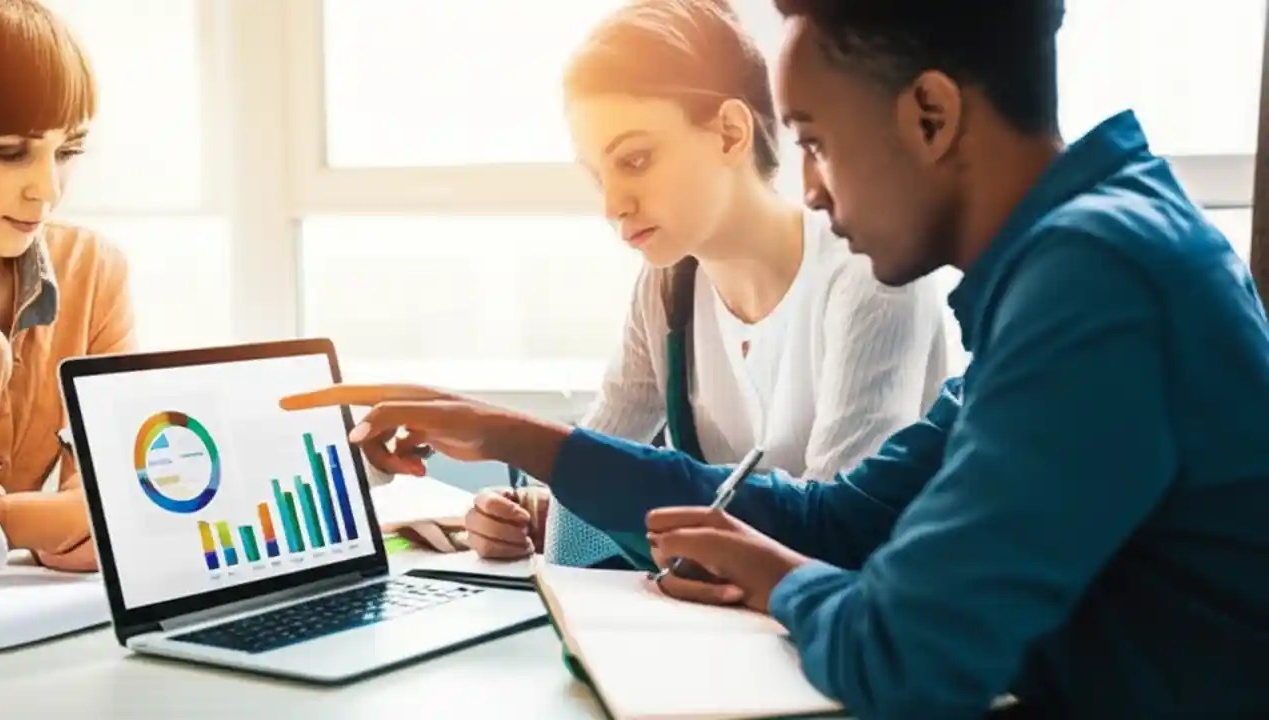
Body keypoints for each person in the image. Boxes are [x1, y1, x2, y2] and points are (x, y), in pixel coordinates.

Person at [282, 0, 1269, 717]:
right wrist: (510, 435)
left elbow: (902, 651)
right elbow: (839, 518)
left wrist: (777, 580)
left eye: (812, 142)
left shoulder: (1094, 282)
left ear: (927, 116)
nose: (813, 191)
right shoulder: (1085, 254)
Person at [455, 0, 946, 567]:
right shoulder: (665, 288)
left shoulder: (868, 275)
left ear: (731, 133)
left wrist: (578, 480)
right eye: (599, 177)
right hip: (729, 628)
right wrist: (535, 512)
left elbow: (835, 532)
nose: (614, 205)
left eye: (634, 160)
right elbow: (594, 461)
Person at [0, 0, 136, 573]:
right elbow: (78, 518)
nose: (46, 191)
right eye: (7, 152)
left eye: (67, 151)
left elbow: (113, 505)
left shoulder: (93, 270)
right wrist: (38, 521)